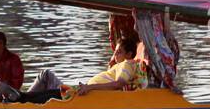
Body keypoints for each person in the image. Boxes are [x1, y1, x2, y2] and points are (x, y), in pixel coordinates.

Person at [14, 35, 147, 103]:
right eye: (115, 52)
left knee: (51, 93)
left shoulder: (127, 64)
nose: (115, 54)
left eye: (119, 52)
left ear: (129, 54)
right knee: (50, 92)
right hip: (84, 92)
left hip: (85, 94)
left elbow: (119, 83)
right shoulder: (120, 65)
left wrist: (90, 87)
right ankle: (19, 97)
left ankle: (18, 99)